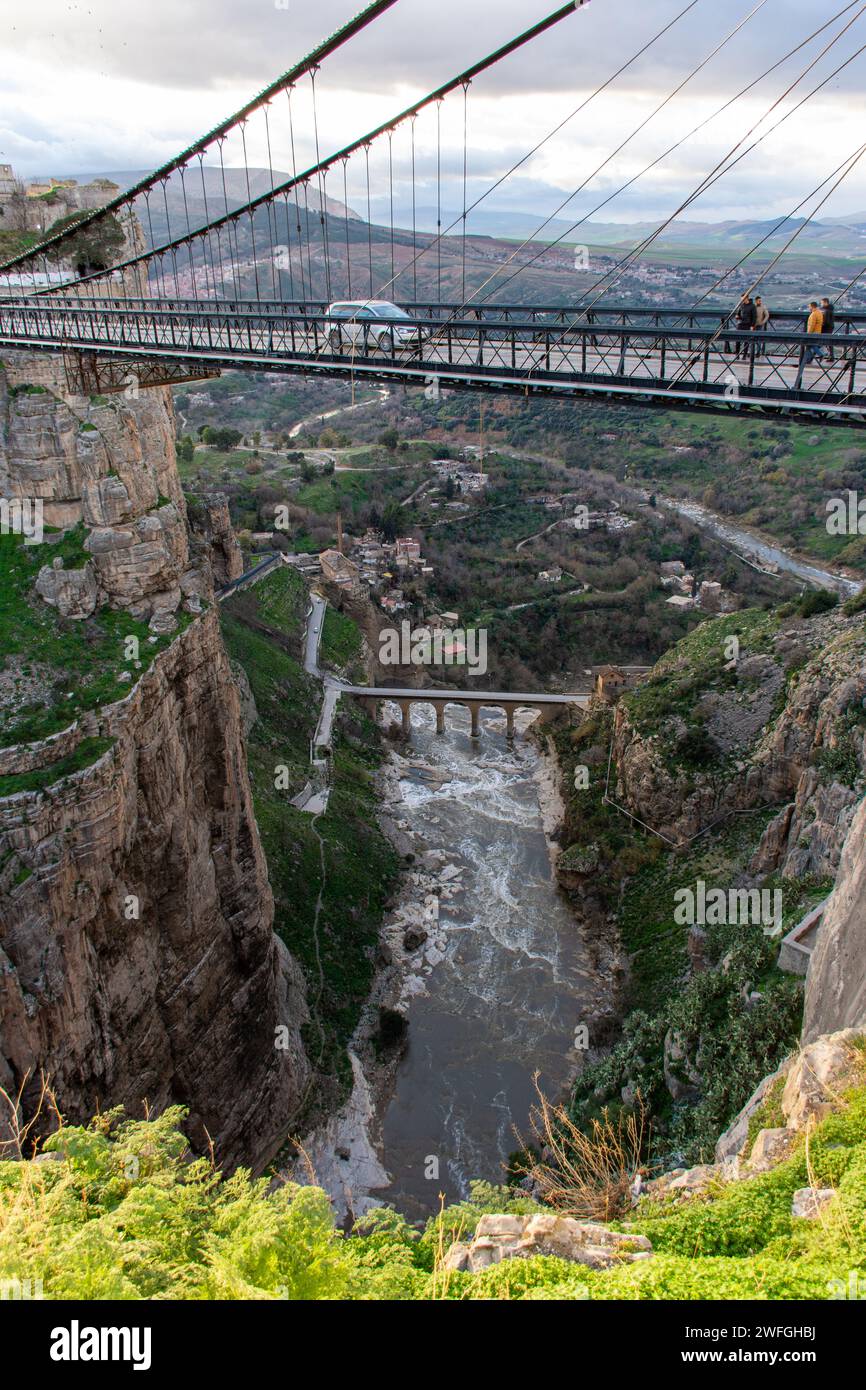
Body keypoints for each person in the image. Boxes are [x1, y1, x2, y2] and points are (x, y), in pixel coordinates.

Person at [734, 293, 756, 358]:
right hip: (740, 323)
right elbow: (738, 314)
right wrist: (737, 317)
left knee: (746, 341)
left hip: (747, 324)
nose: (742, 300)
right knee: (737, 340)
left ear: (746, 298)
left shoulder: (752, 306)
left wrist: (752, 325)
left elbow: (754, 317)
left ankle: (744, 355)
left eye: (743, 299)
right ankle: (737, 354)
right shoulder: (741, 305)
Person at [821, 297, 836, 362]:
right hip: (830, 327)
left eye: (822, 303)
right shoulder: (830, 310)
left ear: (825, 303)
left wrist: (821, 325)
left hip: (827, 328)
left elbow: (826, 321)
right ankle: (831, 356)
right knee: (829, 343)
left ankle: (829, 356)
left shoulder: (826, 311)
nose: (821, 304)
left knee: (827, 342)